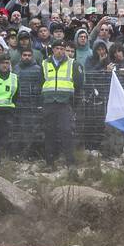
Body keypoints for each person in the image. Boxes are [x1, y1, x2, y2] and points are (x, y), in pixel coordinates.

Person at [40, 40, 82, 169]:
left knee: (67, 131)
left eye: (62, 48)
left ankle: (70, 162)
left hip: (65, 102)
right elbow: (40, 82)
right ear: (53, 50)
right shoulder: (44, 63)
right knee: (49, 132)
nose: (60, 51)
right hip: (49, 102)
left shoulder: (73, 64)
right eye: (57, 48)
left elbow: (79, 84)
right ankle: (50, 163)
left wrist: (72, 100)